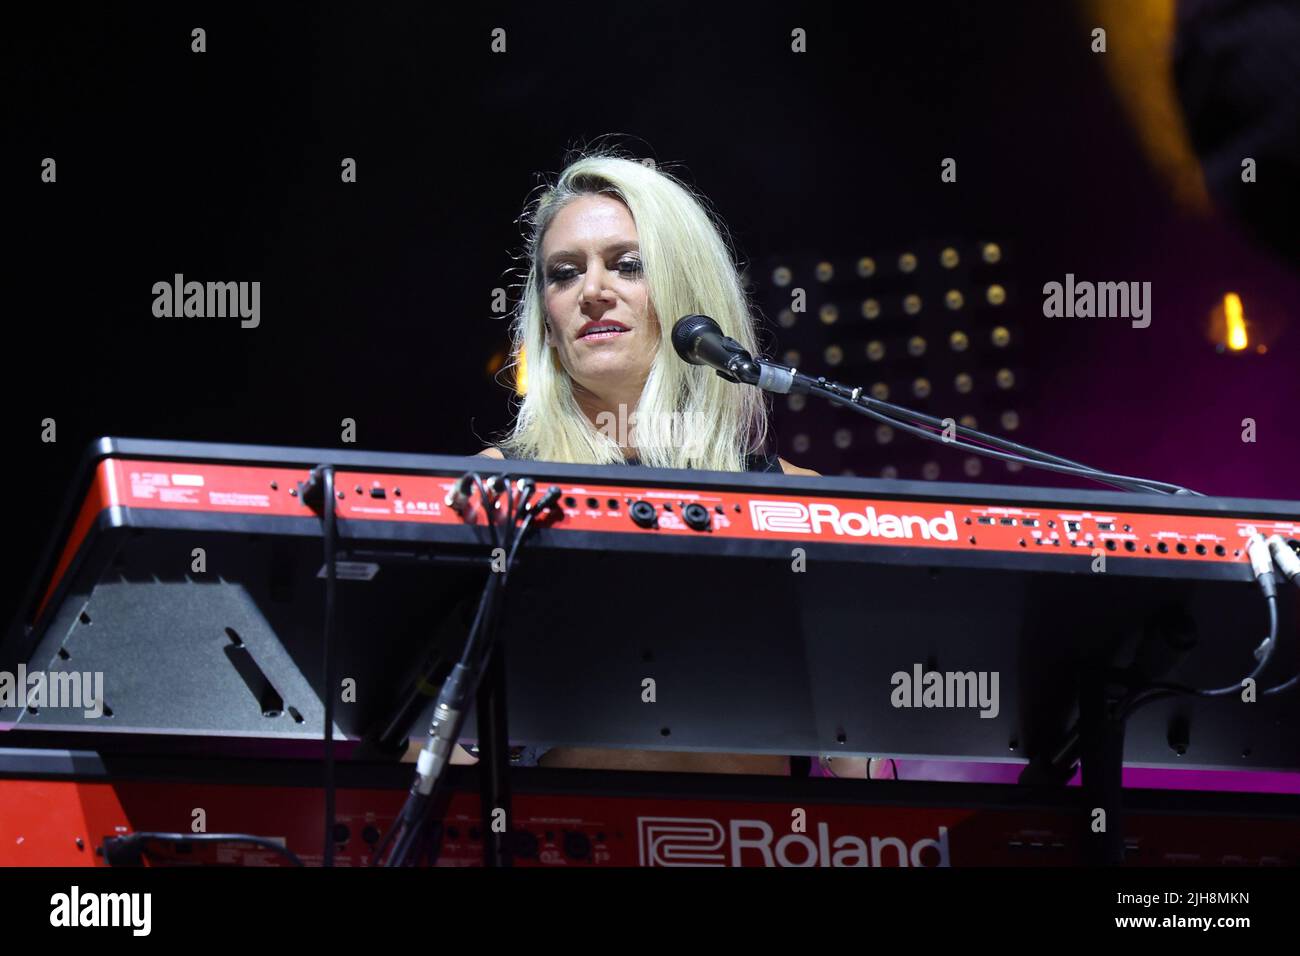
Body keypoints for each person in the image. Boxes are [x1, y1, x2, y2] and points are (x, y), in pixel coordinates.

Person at [471, 150, 886, 778]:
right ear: (546, 321)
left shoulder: (799, 498)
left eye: (627, 265)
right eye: (563, 273)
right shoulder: (495, 486)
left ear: (688, 291)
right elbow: (430, 739)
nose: (591, 292)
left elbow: (866, 768)